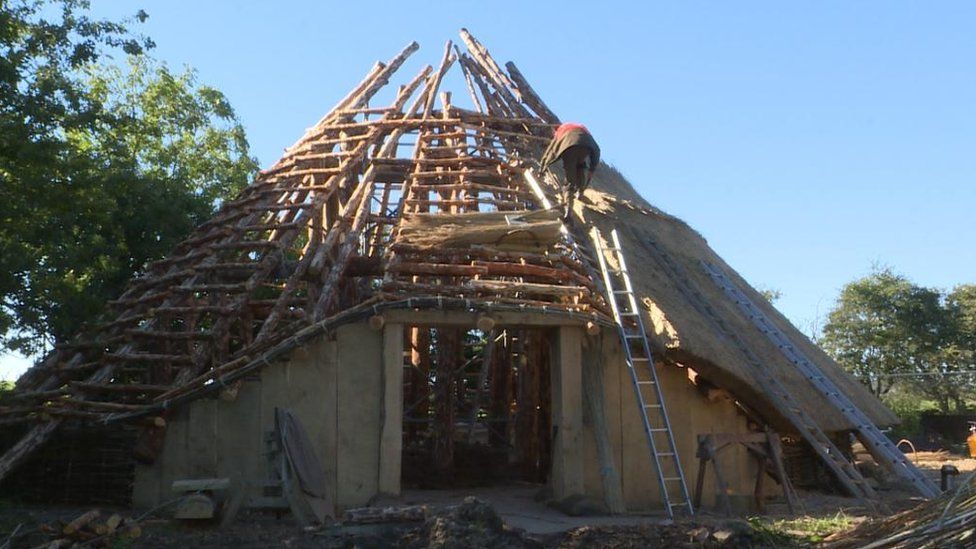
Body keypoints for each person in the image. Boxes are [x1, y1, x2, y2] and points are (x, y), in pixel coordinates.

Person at [539, 122, 600, 219]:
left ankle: (568, 210)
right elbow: (597, 150)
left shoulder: (561, 131)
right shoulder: (583, 129)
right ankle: (580, 190)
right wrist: (592, 168)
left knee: (569, 183)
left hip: (569, 148)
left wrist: (542, 167)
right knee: (581, 165)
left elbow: (550, 151)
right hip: (587, 147)